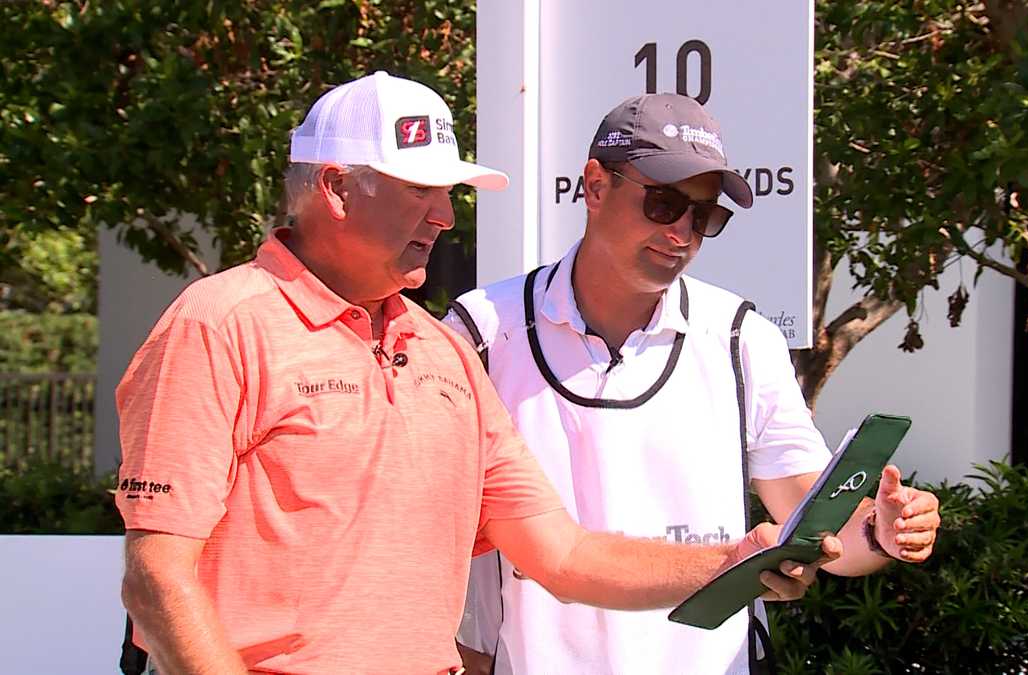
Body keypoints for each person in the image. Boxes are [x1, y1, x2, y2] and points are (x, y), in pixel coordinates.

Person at [114, 73, 834, 675]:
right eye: (420, 189)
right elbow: (158, 579)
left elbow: (565, 553)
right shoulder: (217, 325)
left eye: (449, 191)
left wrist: (736, 559)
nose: (445, 216)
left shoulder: (444, 350)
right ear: (335, 188)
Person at [447, 94, 942, 675]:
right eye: (663, 202)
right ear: (595, 186)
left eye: (704, 216)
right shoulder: (481, 332)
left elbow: (811, 522)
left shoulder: (741, 338)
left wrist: (881, 530)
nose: (682, 231)